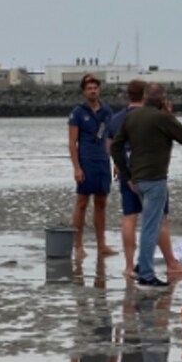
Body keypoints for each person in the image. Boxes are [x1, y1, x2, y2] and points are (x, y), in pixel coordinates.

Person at [109, 83, 182, 289]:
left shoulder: (131, 117)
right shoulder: (162, 118)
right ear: (163, 101)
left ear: (145, 97)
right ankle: (146, 273)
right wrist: (170, 115)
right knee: (151, 226)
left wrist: (126, 173)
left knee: (147, 222)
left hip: (136, 177)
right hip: (155, 178)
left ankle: (139, 265)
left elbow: (116, 147)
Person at [67, 74, 116, 260]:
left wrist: (117, 163)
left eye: (95, 88)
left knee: (101, 203)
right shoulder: (78, 113)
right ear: (84, 91)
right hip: (86, 161)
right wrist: (76, 168)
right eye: (89, 88)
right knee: (82, 203)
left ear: (99, 90)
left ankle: (101, 244)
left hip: (103, 161)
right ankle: (78, 245)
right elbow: (72, 142)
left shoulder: (107, 111)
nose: (93, 91)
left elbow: (112, 138)